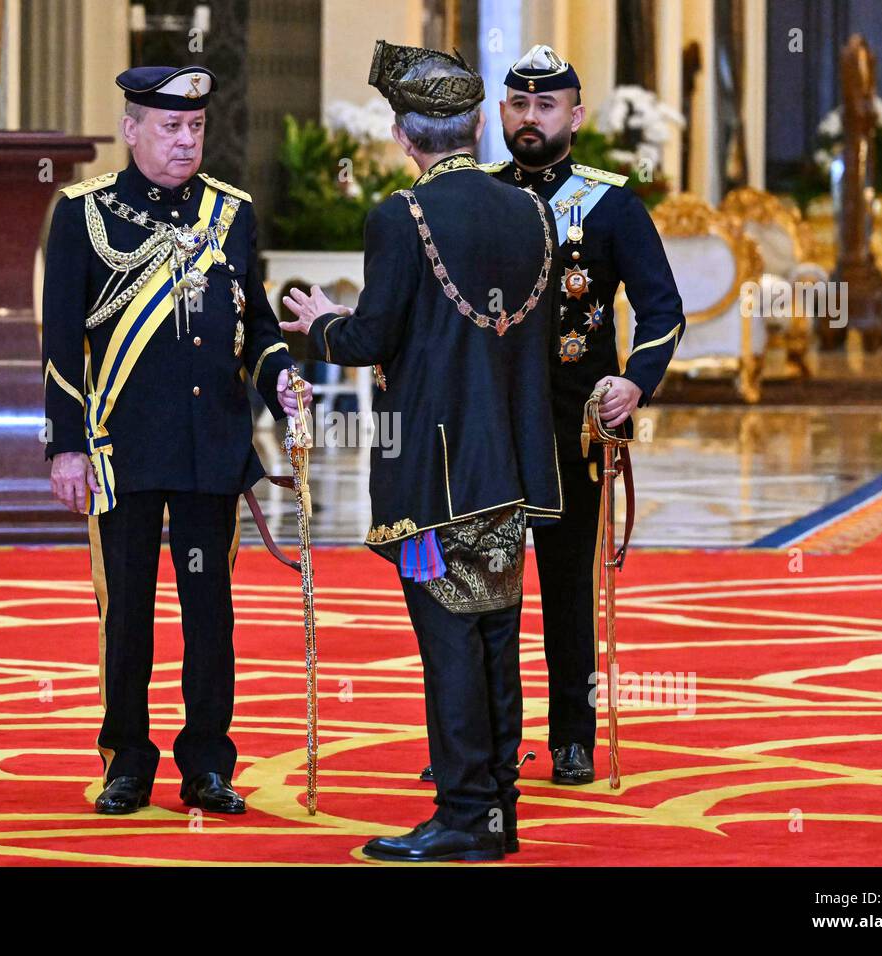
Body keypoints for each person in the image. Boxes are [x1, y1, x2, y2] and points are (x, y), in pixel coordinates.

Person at [280, 41, 562, 862]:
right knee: (498, 638)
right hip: (510, 464)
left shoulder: (398, 217)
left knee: (449, 642)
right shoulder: (533, 213)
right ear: (477, 124)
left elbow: (375, 336)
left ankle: (464, 816)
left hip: (435, 475)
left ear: (405, 136)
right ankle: (499, 810)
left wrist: (319, 323)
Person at [41, 64, 308, 816]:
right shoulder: (83, 214)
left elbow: (253, 323)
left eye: (195, 126)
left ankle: (207, 764)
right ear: (131, 130)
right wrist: (66, 447)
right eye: (169, 126)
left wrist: (279, 378)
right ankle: (126, 760)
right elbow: (62, 345)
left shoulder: (232, 212)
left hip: (209, 449)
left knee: (210, 615)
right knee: (124, 611)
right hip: (122, 449)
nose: (186, 140)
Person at [486, 44, 685, 784]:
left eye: (544, 105)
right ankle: (488, 738)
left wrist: (636, 382)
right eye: (517, 104)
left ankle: (572, 735)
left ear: (576, 114)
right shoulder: (478, 193)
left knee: (568, 586)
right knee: (484, 583)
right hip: (490, 422)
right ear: (500, 112)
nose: (529, 118)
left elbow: (662, 308)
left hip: (575, 425)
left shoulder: (609, 202)